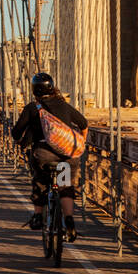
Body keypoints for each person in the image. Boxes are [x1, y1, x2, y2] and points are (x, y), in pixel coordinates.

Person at [11, 71, 87, 243]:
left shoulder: (32, 108)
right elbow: (83, 123)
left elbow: (16, 132)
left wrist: (20, 140)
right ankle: (68, 220)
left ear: (34, 90)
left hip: (44, 155)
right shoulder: (63, 105)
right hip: (67, 155)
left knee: (40, 181)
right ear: (52, 87)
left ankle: (38, 215)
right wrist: (79, 142)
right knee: (65, 186)